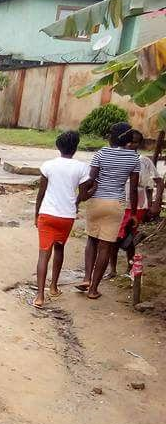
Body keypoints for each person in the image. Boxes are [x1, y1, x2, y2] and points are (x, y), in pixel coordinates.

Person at [76, 122, 141, 299]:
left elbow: (91, 179)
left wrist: (81, 197)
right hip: (116, 204)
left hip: (96, 201)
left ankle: (87, 278)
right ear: (128, 138)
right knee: (105, 246)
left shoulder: (101, 153)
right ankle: (93, 289)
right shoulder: (134, 158)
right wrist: (133, 213)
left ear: (111, 137)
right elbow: (134, 189)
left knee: (91, 240)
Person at [33, 131, 90, 308]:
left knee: (44, 254)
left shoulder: (48, 165)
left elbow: (41, 193)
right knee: (59, 248)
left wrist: (36, 214)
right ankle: (54, 287)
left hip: (47, 213)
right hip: (66, 216)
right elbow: (84, 193)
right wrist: (77, 201)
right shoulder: (81, 168)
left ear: (58, 146)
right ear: (76, 147)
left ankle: (40, 296)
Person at [109, 130, 163, 277]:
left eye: (134, 142)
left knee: (124, 236)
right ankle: (113, 269)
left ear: (139, 144)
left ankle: (130, 266)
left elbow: (158, 181)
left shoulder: (143, 160)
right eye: (128, 141)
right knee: (115, 236)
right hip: (118, 202)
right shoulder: (117, 158)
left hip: (137, 204)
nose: (130, 144)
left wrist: (156, 203)